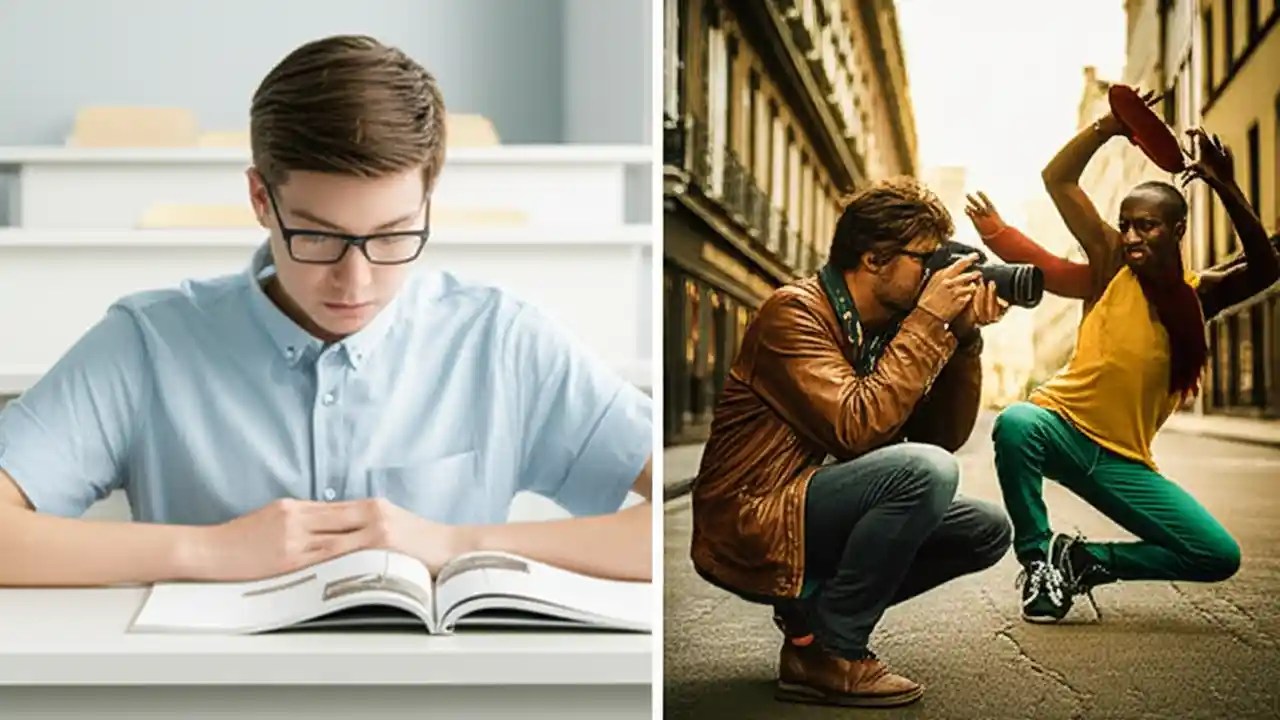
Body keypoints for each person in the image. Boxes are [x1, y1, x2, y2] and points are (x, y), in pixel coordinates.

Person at [0, 35, 652, 587]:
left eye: (394, 235)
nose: (355, 280)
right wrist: (209, 551)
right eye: (317, 236)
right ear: (261, 199)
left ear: (428, 200)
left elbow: (691, 518)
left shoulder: (502, 341)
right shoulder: (148, 344)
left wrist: (457, 543)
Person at [689, 177, 1014, 708]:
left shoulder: (886, 328)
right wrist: (928, 321)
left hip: (806, 503)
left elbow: (939, 438)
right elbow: (857, 426)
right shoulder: (793, 312)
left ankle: (814, 623)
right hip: (751, 515)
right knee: (924, 473)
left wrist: (962, 338)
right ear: (874, 259)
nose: (934, 275)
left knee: (985, 529)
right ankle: (833, 651)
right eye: (925, 260)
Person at [965, 110, 1279, 624]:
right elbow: (1057, 180)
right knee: (1017, 421)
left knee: (1217, 554)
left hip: (1123, 462)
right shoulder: (1110, 264)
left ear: (1177, 230)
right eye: (1125, 224)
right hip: (1061, 429)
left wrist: (1225, 185)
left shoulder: (1200, 295)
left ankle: (1082, 561)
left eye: (1146, 226)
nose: (1132, 236)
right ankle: (1040, 562)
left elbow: (1265, 268)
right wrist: (1108, 126)